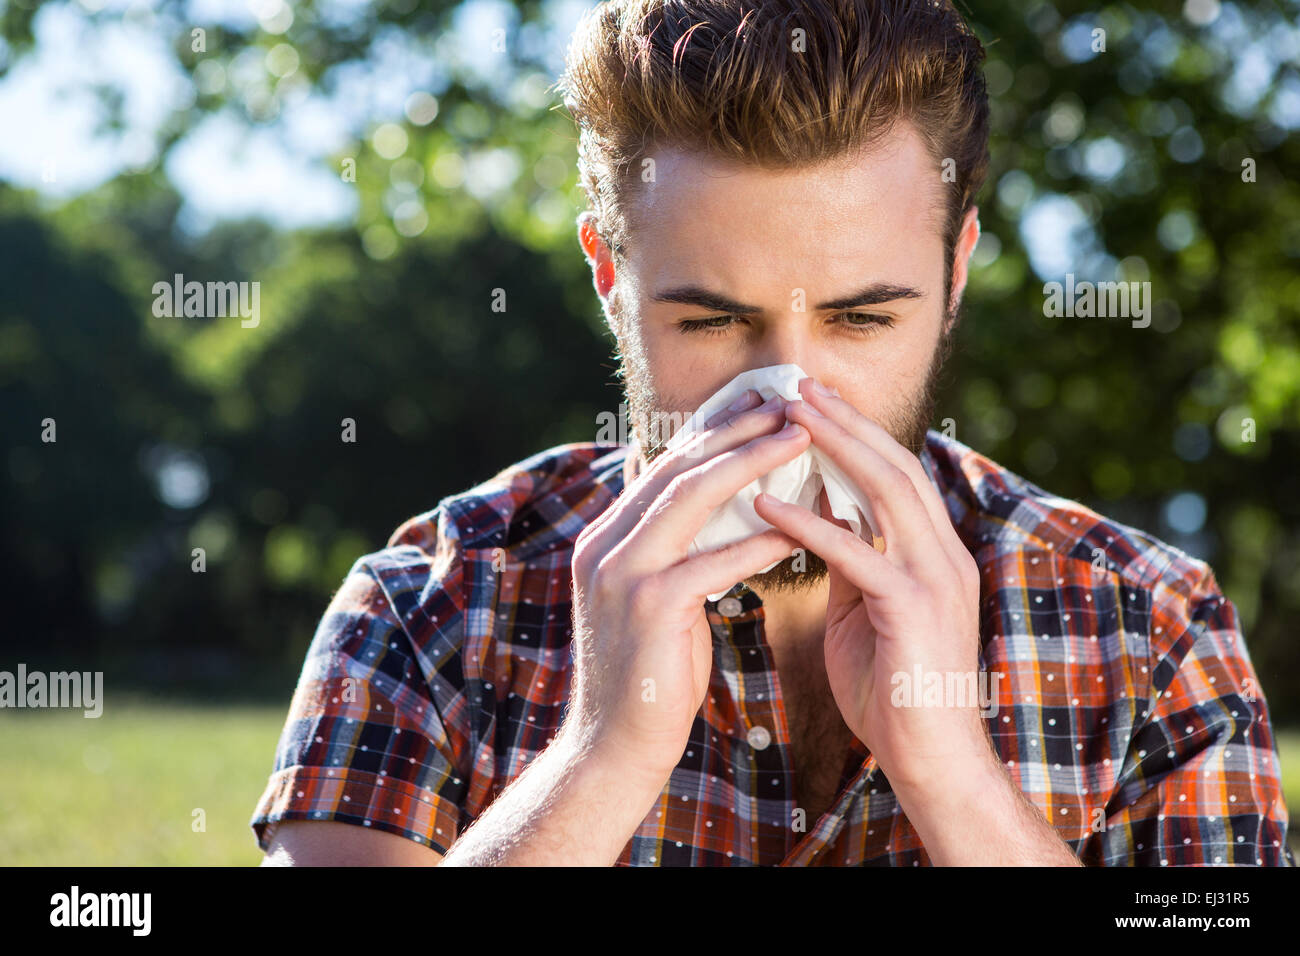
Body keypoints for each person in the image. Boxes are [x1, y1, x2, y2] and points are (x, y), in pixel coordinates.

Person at [252, 0, 1294, 866]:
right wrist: (600, 757)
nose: (788, 396)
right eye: (709, 319)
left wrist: (951, 773)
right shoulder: (425, 610)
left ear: (956, 272)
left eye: (862, 317)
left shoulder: (1152, 630)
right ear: (611, 280)